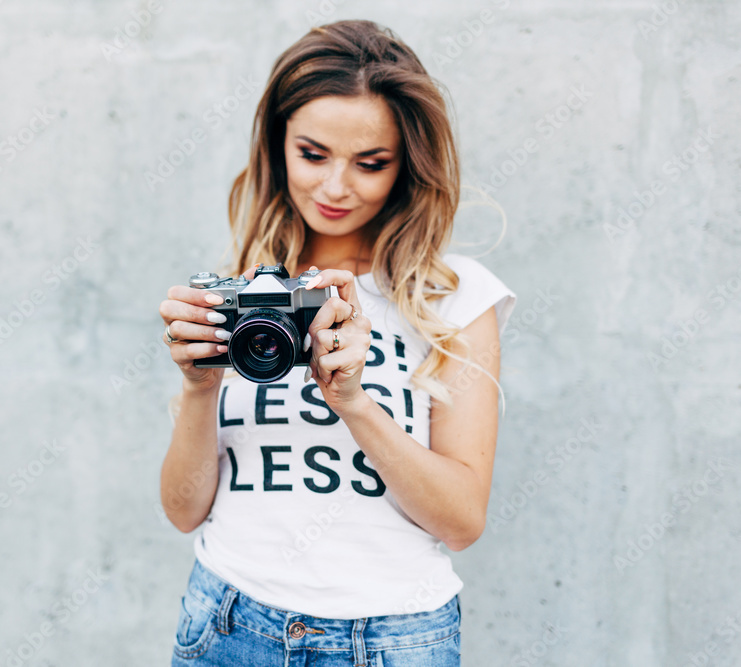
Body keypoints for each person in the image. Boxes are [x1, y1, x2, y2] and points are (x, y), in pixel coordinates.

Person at [158, 19, 517, 666]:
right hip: (228, 622)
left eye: (370, 163)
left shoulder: (454, 298)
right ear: (278, 145)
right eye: (313, 153)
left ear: (407, 165)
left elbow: (461, 521)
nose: (334, 187)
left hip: (389, 639)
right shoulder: (246, 298)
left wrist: (353, 400)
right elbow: (184, 511)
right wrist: (198, 385)